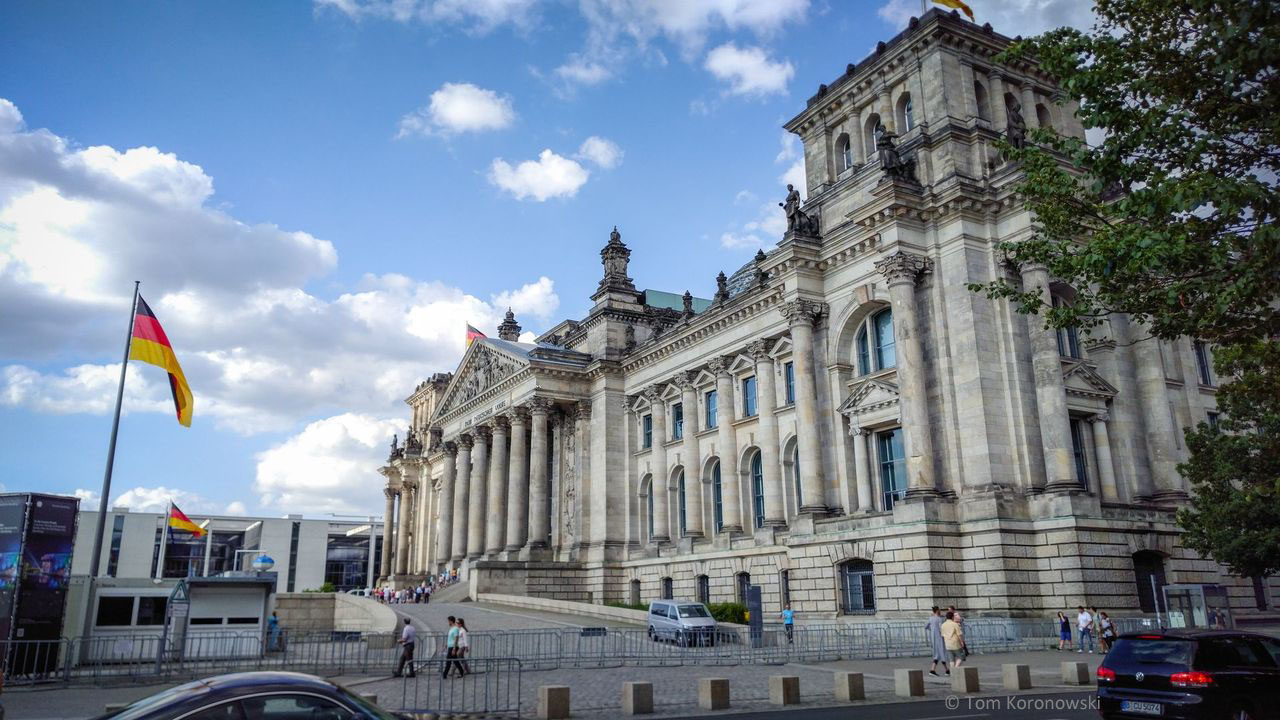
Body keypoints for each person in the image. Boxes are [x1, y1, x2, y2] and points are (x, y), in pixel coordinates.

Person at [925, 606, 950, 676]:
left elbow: (926, 626)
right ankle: (946, 670)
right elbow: (941, 628)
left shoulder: (930, 618)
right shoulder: (939, 619)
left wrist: (932, 630)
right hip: (939, 638)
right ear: (937, 611)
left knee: (938, 654)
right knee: (941, 653)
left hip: (933, 638)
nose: (940, 611)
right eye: (939, 610)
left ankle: (944, 670)